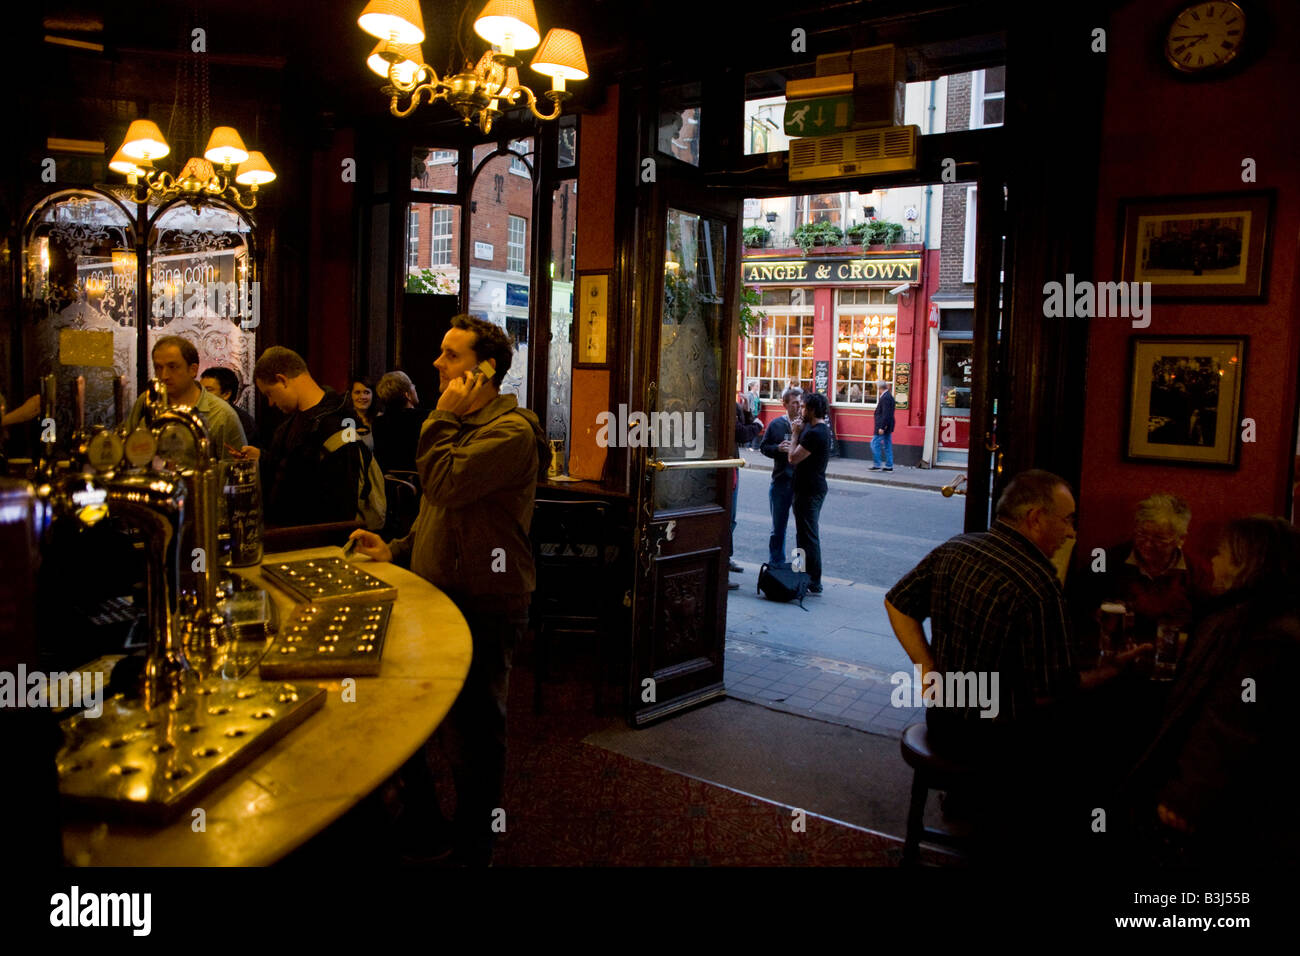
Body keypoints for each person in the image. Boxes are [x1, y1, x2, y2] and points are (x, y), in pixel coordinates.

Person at [348, 315, 549, 866]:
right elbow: (441, 510)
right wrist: (398, 548)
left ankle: (474, 845)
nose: (437, 363)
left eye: (451, 355)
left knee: (476, 733)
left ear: (485, 371)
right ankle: (426, 823)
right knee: (414, 714)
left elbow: (442, 482)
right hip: (440, 593)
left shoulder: (510, 432)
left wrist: (439, 415)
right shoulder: (464, 425)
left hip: (486, 597)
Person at [885, 470, 1144, 858]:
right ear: (1036, 518)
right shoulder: (1038, 586)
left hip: (945, 720)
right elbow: (1051, 691)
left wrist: (927, 666)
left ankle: (968, 804)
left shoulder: (958, 548)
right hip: (996, 744)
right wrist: (1112, 668)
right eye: (1068, 519)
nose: (1071, 533)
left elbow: (896, 603)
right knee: (1101, 749)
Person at [1123, 516, 1300, 866]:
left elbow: (1231, 721)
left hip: (1234, 799)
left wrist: (1188, 793)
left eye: (1221, 553)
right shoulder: (1246, 615)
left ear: (1247, 562)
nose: (1213, 561)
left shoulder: (1265, 634)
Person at [246, 346, 368, 527]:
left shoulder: (338, 426)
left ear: (282, 380)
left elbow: (339, 507)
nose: (271, 403)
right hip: (290, 537)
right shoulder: (291, 422)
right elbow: (291, 469)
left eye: (269, 394)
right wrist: (262, 458)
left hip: (312, 541)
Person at [1081, 492, 1200, 643]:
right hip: (1117, 651)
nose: (1148, 544)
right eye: (1141, 534)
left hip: (1171, 655)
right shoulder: (1106, 560)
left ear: (1180, 539)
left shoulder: (1196, 572)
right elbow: (1081, 603)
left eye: (1159, 538)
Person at [126, 335, 246, 463]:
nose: (164, 376)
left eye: (173, 367)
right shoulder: (147, 401)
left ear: (193, 370)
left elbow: (238, 469)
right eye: (158, 368)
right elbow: (128, 448)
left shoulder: (221, 414)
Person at [781, 391, 831, 594]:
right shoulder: (818, 429)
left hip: (808, 490)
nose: (800, 410)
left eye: (803, 407)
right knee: (803, 533)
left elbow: (793, 458)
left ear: (811, 409)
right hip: (810, 487)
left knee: (808, 535)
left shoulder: (814, 433)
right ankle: (799, 572)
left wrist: (794, 434)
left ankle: (813, 580)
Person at [759, 386, 802, 568]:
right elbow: (764, 447)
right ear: (784, 404)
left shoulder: (806, 426)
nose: (798, 407)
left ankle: (801, 568)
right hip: (781, 481)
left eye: (800, 403)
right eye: (794, 403)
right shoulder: (776, 424)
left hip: (801, 484)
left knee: (803, 531)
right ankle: (776, 565)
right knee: (778, 529)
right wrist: (777, 448)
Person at [730, 394, 764, 587]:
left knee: (731, 518)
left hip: (731, 463)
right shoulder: (723, 406)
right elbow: (741, 434)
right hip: (726, 466)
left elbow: (743, 426)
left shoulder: (734, 405)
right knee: (727, 517)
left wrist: (748, 412)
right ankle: (723, 562)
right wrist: (758, 425)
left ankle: (726, 557)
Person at [372, 370, 425, 474]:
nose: (415, 387)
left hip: (388, 485)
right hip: (420, 484)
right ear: (407, 395)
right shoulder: (425, 418)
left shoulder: (377, 423)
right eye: (412, 385)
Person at [200, 366, 259, 450]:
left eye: (208, 390)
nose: (202, 394)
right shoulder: (200, 414)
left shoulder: (242, 420)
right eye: (201, 390)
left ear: (226, 394)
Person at [870, 378, 895, 472]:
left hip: (883, 426)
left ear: (879, 388)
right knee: (887, 445)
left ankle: (877, 465)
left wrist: (882, 427)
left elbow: (886, 414)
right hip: (887, 425)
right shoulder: (888, 396)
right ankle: (889, 466)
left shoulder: (885, 397)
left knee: (874, 443)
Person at [348, 375, 376, 450]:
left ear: (373, 395)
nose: (362, 397)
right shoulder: (343, 420)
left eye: (366, 392)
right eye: (357, 392)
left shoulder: (380, 419)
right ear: (351, 395)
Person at [746, 380, 763, 450]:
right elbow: (747, 405)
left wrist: (758, 411)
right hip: (750, 414)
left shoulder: (756, 394)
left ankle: (754, 446)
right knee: (750, 429)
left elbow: (758, 404)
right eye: (756, 386)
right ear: (752, 387)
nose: (758, 387)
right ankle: (748, 446)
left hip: (755, 414)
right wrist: (748, 414)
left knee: (755, 428)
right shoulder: (749, 394)